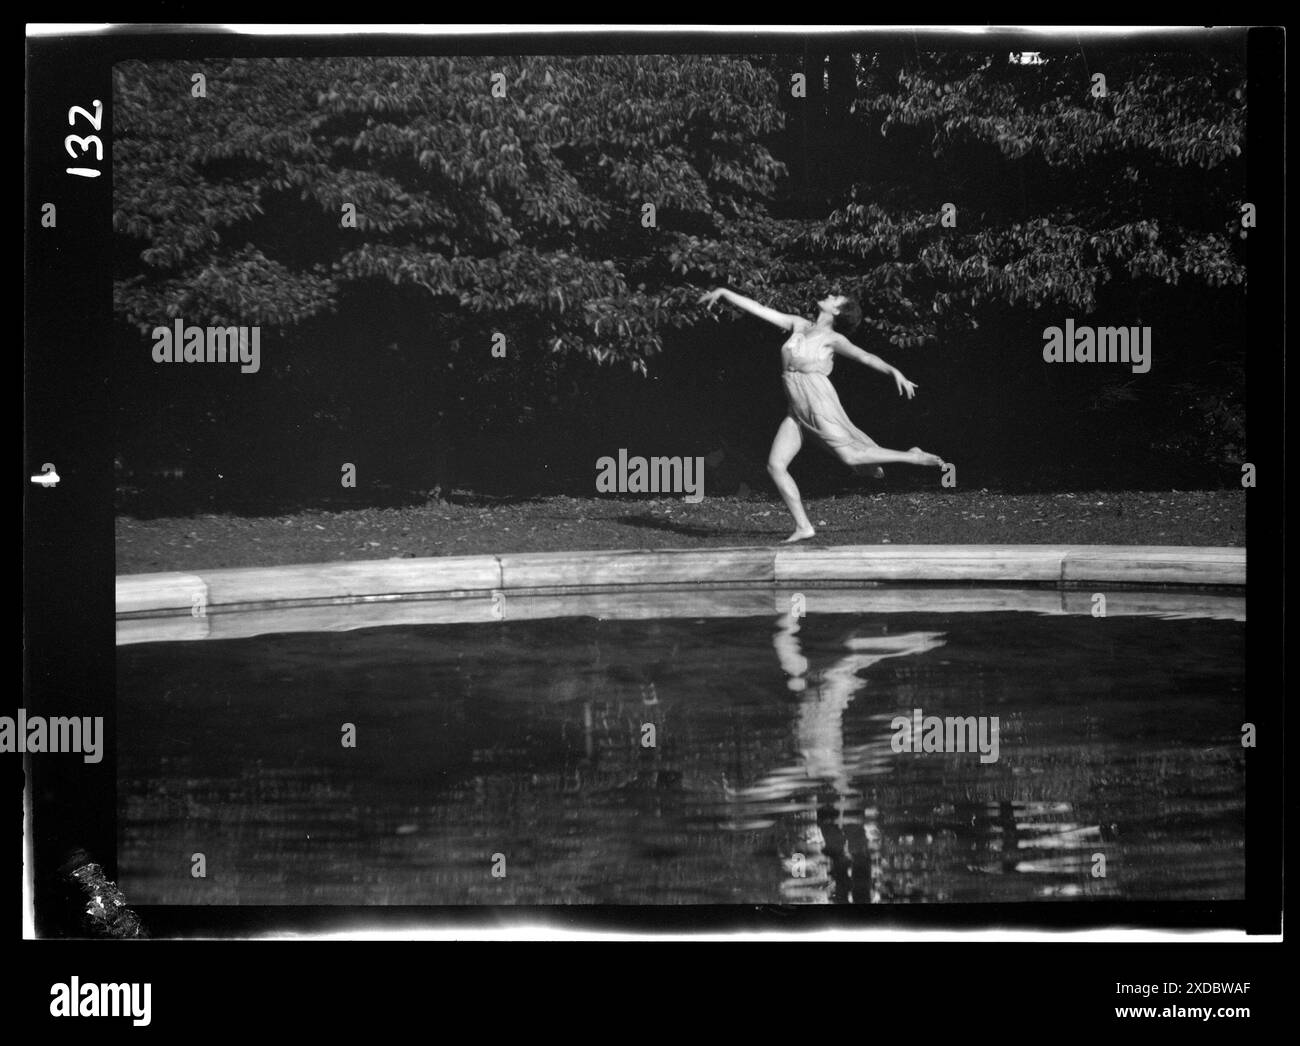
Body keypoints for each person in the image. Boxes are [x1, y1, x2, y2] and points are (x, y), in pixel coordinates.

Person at [700, 288, 947, 542]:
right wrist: (723, 292)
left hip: (817, 399)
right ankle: (803, 527)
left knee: (849, 455)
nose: (829, 295)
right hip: (796, 405)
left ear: (837, 311)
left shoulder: (833, 338)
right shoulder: (799, 323)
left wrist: (894, 372)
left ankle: (912, 457)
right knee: (776, 465)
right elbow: (761, 310)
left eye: (835, 298)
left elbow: (866, 356)